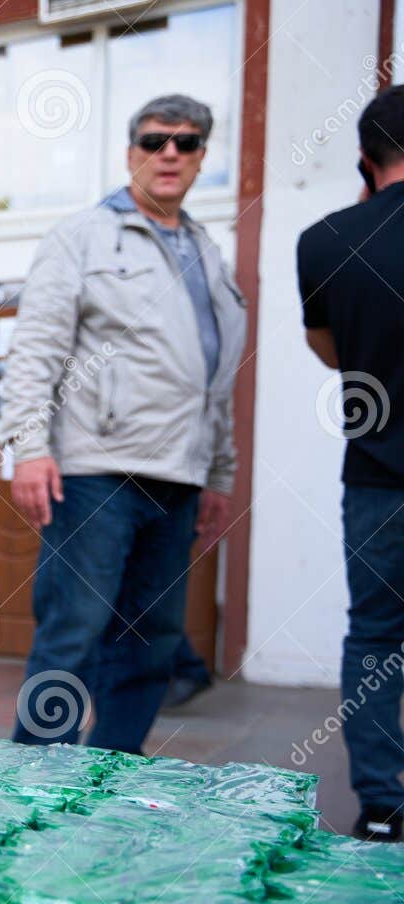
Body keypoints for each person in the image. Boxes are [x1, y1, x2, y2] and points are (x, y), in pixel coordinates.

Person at [0, 94, 247, 753]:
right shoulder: (81, 236)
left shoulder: (206, 253)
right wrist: (27, 446)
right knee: (71, 634)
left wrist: (219, 470)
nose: (170, 153)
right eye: (155, 139)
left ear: (200, 159)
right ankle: (31, 777)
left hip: (179, 478)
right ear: (130, 152)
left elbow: (214, 377)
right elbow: (36, 349)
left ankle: (115, 774)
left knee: (152, 641)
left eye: (187, 143)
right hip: (95, 474)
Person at [297, 84, 404, 842]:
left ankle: (382, 804)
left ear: (365, 159)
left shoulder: (327, 239)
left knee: (374, 636)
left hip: (375, 477)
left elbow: (330, 352)